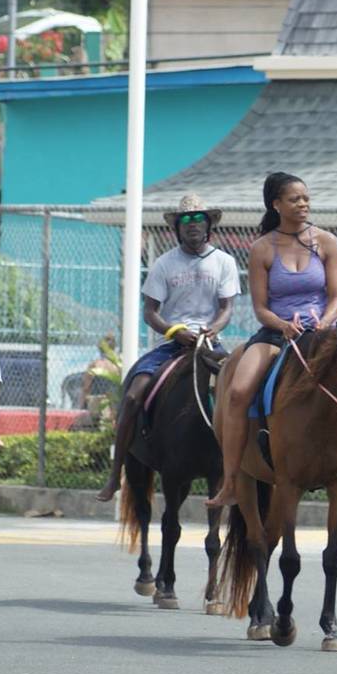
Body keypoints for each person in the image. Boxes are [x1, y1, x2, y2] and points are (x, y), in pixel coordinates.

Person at [206, 172, 337, 509]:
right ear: (276, 204)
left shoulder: (327, 242)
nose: (303, 204)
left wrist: (325, 323)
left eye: (306, 198)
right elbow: (260, 308)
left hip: (323, 335)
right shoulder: (262, 248)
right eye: (295, 199)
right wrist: (283, 326)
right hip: (276, 335)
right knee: (238, 393)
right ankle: (231, 482)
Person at [95, 194, 238, 501]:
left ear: (209, 224)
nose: (192, 226)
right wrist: (175, 331)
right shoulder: (164, 263)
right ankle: (115, 474)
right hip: (172, 344)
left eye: (199, 220)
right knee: (134, 395)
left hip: (211, 343)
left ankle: (238, 472)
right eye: (185, 221)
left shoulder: (225, 262)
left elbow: (226, 308)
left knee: (240, 390)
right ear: (176, 227)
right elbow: (150, 312)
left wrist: (215, 326)